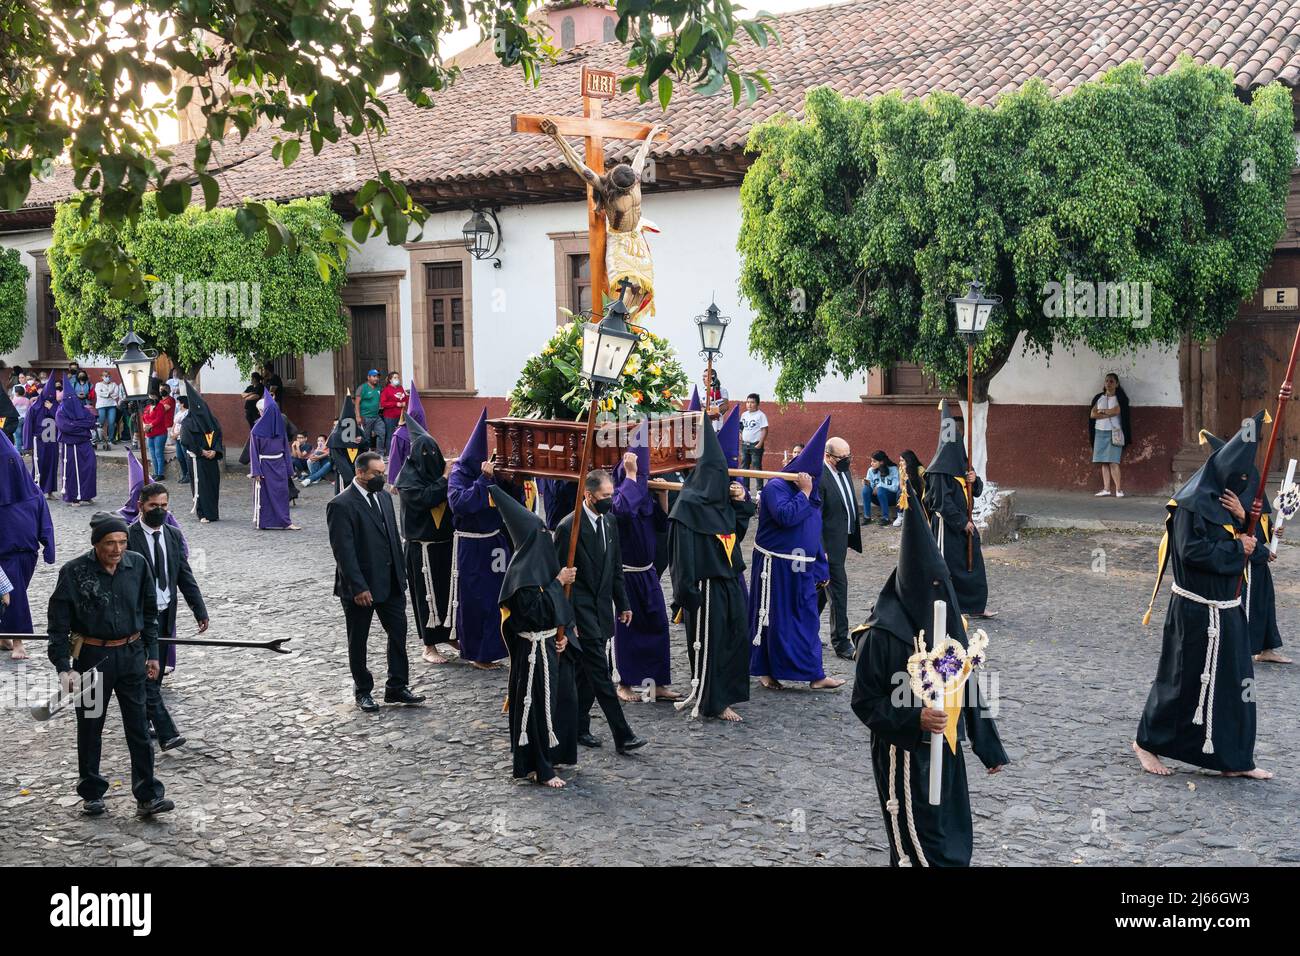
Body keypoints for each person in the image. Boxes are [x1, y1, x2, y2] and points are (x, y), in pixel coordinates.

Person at [850, 474, 1008, 866]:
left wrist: (987, 746)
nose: (939, 595)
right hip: (903, 752)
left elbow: (966, 683)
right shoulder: (881, 636)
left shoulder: (949, 624)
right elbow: (865, 702)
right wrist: (914, 717)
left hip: (947, 747)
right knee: (915, 838)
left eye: (944, 585)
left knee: (950, 830)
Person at [1134, 410, 1272, 779]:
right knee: (1179, 681)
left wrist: (1246, 521)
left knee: (1236, 684)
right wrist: (1238, 548)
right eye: (1237, 481)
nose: (1240, 487)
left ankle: (1235, 759)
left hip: (1228, 611)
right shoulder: (1190, 505)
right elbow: (1193, 553)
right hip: (1193, 610)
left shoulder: (1232, 505)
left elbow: (1254, 549)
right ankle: (1147, 743)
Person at [46, 512, 173, 818]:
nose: (117, 549)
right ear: (96, 545)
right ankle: (91, 792)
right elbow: (57, 626)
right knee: (90, 728)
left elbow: (149, 613)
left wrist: (153, 654)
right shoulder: (74, 572)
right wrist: (64, 667)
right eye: (109, 543)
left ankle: (147, 795)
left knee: (140, 728)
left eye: (121, 542)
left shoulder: (138, 565)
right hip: (91, 661)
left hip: (131, 657)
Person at [490, 484, 580, 787]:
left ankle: (543, 759)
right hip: (532, 652)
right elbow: (534, 611)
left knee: (550, 704)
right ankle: (542, 769)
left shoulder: (539, 567)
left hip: (548, 646)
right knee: (535, 708)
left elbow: (557, 610)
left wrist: (563, 634)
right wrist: (557, 581)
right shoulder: (521, 576)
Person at [668, 417, 756, 721]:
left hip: (730, 581)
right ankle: (711, 702)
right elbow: (680, 557)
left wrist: (742, 502)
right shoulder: (688, 506)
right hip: (704, 588)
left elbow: (736, 533)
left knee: (736, 638)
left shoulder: (720, 504)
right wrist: (685, 594)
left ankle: (727, 694)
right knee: (711, 643)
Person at [553, 468, 647, 754]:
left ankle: (578, 726)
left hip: (602, 610)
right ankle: (623, 735)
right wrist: (567, 623)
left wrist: (624, 603)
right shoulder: (569, 528)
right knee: (602, 675)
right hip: (581, 615)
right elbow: (559, 579)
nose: (610, 500)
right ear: (589, 495)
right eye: (605, 496)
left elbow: (615, 567)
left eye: (612, 494)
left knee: (585, 675)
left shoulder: (610, 523)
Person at [326, 450, 424, 712]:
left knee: (398, 634)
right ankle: (363, 690)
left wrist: (401, 578)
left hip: (391, 583)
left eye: (383, 472)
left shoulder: (383, 497)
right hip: (361, 588)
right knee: (358, 641)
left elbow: (392, 537)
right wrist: (358, 587)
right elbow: (343, 551)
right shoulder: (341, 504)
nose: (381, 478)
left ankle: (397, 686)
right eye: (376, 474)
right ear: (360, 473)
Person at [750, 417, 844, 690]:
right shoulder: (775, 486)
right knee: (772, 619)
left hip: (801, 567)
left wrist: (820, 559)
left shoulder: (811, 487)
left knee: (807, 619)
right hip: (775, 568)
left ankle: (815, 674)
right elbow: (786, 517)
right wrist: (803, 493)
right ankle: (766, 671)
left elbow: (812, 526)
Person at [1196, 428, 1290, 665]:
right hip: (1238, 559)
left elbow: (1259, 528)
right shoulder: (1220, 491)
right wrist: (1240, 515)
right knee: (1241, 602)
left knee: (1264, 599)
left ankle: (1265, 648)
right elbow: (1229, 529)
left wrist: (1271, 531)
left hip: (1256, 560)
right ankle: (1238, 648)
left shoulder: (1249, 480)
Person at [127, 483, 208, 751]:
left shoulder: (173, 535)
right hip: (139, 618)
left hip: (165, 614)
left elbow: (184, 574)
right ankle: (166, 731)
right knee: (147, 672)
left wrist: (199, 609)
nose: (159, 511)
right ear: (141, 506)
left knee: (156, 671)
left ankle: (143, 720)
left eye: (163, 506)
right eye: (153, 506)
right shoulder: (127, 538)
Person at [447, 408, 522, 668]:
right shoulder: (458, 475)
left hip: (495, 543)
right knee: (476, 598)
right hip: (471, 545)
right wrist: (483, 479)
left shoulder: (491, 473)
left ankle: (499, 646)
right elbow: (461, 504)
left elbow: (512, 503)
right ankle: (479, 653)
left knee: (499, 596)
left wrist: (510, 482)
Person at [610, 420, 678, 702]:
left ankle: (657, 683)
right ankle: (625, 683)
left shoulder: (645, 496)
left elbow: (662, 525)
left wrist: (662, 495)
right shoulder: (616, 495)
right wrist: (631, 475)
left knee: (657, 624)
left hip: (647, 573)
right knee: (627, 629)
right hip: (624, 574)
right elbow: (623, 511)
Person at [394, 416, 454, 665]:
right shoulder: (408, 482)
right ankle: (428, 644)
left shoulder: (441, 475)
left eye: (434, 451)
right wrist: (444, 479)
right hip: (422, 549)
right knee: (425, 595)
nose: (430, 456)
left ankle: (448, 634)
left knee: (447, 593)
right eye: (426, 452)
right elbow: (426, 499)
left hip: (445, 545)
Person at [924, 402, 992, 618]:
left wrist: (975, 480)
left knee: (973, 563)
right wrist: (962, 522)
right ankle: (948, 607)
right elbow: (942, 503)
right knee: (949, 566)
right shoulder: (938, 471)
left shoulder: (964, 463)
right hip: (948, 525)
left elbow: (977, 491)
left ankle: (974, 605)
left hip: (964, 523)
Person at [0, 430, 54, 661]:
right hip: (4, 555)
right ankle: (17, 641)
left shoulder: (34, 493)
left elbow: (45, 522)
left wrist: (49, 548)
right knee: (15, 595)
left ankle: (5, 635)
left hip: (27, 554)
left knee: (11, 595)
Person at [819, 435, 862, 659]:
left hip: (841, 542)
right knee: (838, 590)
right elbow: (814, 516)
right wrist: (821, 548)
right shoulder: (821, 476)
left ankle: (806, 633)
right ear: (828, 456)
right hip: (827, 547)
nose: (847, 460)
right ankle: (842, 643)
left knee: (819, 592)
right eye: (842, 457)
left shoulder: (842, 471)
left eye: (849, 456)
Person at [247, 391, 299, 530]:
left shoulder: (279, 429)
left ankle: (285, 522)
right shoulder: (256, 431)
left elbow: (286, 450)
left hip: (279, 464)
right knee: (265, 495)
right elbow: (253, 453)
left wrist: (289, 468)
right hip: (264, 466)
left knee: (282, 493)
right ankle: (264, 521)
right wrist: (256, 471)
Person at [177, 381, 223, 523]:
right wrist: (201, 452)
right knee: (201, 485)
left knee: (213, 484)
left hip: (211, 459)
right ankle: (202, 513)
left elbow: (218, 435)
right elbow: (186, 440)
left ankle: (213, 513)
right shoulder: (187, 423)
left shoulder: (212, 421)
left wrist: (215, 451)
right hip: (198, 459)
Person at [56, 375, 97, 505]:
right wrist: (82, 427)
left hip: (85, 444)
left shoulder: (82, 409)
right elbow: (65, 427)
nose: (71, 401)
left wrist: (76, 425)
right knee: (72, 472)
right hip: (70, 446)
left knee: (89, 468)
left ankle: (87, 494)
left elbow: (91, 422)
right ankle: (74, 497)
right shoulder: (60, 412)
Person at [1089, 372, 1131, 498]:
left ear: (1117, 384)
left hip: (1114, 432)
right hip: (1100, 431)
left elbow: (1116, 411)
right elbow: (1092, 414)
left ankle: (1118, 489)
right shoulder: (1099, 398)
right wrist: (1107, 412)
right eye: (1107, 381)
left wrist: (1101, 412)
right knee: (1103, 462)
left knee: (1113, 461)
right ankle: (1106, 489)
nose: (1108, 383)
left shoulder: (1121, 399)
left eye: (1112, 381)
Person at [25, 373, 59, 498]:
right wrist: (28, 444)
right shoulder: (34, 408)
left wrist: (52, 408)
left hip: (52, 441)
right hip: (39, 441)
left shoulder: (57, 407)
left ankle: (50, 491)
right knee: (39, 465)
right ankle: (37, 489)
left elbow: (62, 420)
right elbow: (28, 426)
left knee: (52, 465)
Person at [386, 382, 426, 484]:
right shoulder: (400, 435)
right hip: (406, 479)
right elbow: (395, 459)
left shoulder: (425, 434)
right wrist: (393, 480)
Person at [327, 394, 366, 494]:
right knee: (343, 496)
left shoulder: (359, 432)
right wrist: (349, 477)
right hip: (344, 473)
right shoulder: (336, 436)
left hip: (358, 471)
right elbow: (337, 459)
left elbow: (366, 447)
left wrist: (361, 441)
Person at [739, 393, 769, 494]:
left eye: (752, 402)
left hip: (755, 445)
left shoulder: (761, 415)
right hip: (744, 445)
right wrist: (741, 435)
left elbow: (764, 429)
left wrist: (760, 443)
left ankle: (759, 490)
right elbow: (741, 427)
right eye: (747, 402)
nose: (749, 404)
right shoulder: (744, 414)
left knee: (756, 466)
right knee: (744, 467)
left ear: (757, 404)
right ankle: (745, 489)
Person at [864, 450, 900, 526]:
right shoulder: (871, 470)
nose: (871, 463)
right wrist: (867, 484)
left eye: (874, 461)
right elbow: (871, 487)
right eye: (871, 461)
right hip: (877, 499)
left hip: (891, 498)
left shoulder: (893, 469)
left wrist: (880, 486)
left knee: (880, 490)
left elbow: (895, 487)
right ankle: (867, 517)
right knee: (865, 490)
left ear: (881, 462)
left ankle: (885, 518)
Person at [379, 373, 408, 458]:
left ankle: (399, 452)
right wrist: (396, 404)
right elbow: (383, 403)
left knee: (401, 434)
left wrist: (405, 403)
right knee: (390, 435)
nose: (397, 379)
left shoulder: (400, 388)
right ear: (390, 380)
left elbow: (405, 398)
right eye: (395, 377)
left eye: (398, 377)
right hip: (390, 417)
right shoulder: (386, 390)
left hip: (401, 416)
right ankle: (389, 454)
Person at [357, 370, 384, 452]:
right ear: (368, 377)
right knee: (366, 437)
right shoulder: (362, 388)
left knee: (382, 433)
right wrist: (358, 416)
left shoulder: (379, 388)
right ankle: (366, 454)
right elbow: (356, 403)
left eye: (377, 376)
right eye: (374, 376)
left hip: (376, 416)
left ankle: (380, 454)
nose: (376, 378)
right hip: (365, 417)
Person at [895, 450, 924, 527]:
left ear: (908, 460)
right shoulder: (901, 469)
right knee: (899, 492)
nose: (900, 463)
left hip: (919, 491)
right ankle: (900, 516)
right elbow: (901, 485)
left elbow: (925, 486)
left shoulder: (920, 469)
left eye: (902, 460)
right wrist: (908, 490)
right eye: (900, 460)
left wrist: (914, 491)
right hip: (907, 491)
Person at [93, 371, 120, 451]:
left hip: (112, 405)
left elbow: (116, 394)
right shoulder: (98, 385)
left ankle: (111, 439)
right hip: (101, 405)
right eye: (105, 376)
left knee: (112, 422)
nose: (107, 377)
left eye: (108, 376)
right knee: (100, 422)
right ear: (102, 376)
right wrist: (109, 394)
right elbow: (99, 393)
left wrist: (106, 394)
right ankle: (97, 438)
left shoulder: (114, 384)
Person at [171, 394, 191, 485]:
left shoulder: (187, 413)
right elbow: (174, 424)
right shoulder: (178, 413)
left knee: (186, 456)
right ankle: (184, 473)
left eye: (178, 402)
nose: (177, 404)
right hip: (176, 437)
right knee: (180, 456)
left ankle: (189, 475)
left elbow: (185, 426)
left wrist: (177, 434)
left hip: (183, 436)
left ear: (183, 403)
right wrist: (172, 432)